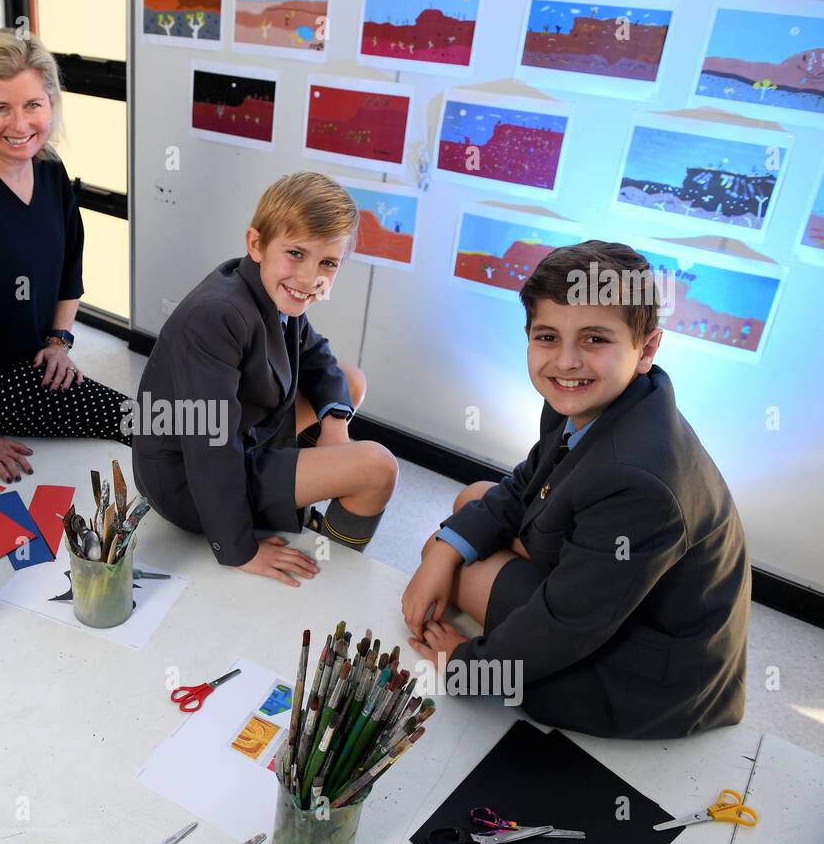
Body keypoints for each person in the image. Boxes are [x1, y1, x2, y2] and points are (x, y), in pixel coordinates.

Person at [403, 241, 749, 739]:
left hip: (648, 681)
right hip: (620, 593)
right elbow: (527, 480)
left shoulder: (639, 480)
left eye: (593, 340)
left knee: (467, 569)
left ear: (646, 349)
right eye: (547, 336)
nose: (566, 361)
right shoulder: (589, 399)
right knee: (470, 508)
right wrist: (443, 549)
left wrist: (466, 664)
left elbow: (567, 627)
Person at [133, 172, 399, 586]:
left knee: (350, 381)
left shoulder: (270, 288)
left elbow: (316, 355)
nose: (312, 279)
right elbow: (209, 442)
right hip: (187, 481)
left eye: (327, 263)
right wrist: (240, 549)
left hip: (243, 433)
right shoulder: (218, 314)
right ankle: (333, 566)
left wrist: (334, 427)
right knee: (377, 467)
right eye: (296, 253)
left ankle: (298, 497)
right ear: (255, 244)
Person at [0, 28, 131, 483]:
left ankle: (265, 462)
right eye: (1, 108)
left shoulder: (50, 169)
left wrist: (58, 341)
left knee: (147, 417)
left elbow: (70, 268)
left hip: (32, 351)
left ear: (51, 101)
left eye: (33, 105)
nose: (20, 125)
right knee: (132, 418)